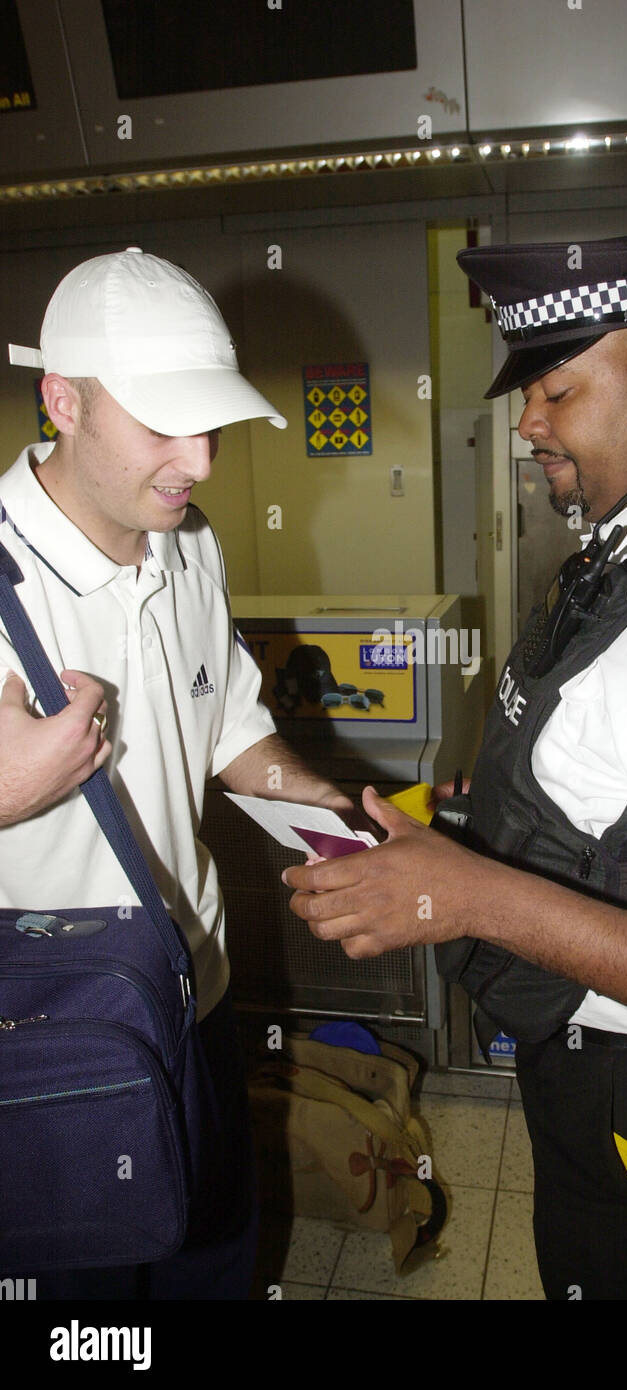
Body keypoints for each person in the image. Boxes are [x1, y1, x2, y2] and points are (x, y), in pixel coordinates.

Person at [285, 235, 627, 1300]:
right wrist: (466, 833)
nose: (529, 423)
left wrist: (472, 893)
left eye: (555, 390)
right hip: (594, 1085)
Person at [2, 246, 350, 1299]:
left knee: (212, 1259)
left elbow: (227, 732)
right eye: (163, 424)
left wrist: (338, 811)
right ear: (63, 398)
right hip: (48, 1032)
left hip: (194, 999)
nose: (198, 459)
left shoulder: (190, 548)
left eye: (210, 423)